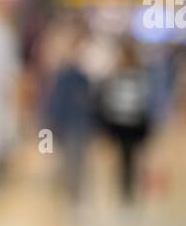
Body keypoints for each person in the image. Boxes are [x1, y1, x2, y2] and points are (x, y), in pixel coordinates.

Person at [43, 19, 95, 204]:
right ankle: (71, 198)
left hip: (75, 124)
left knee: (76, 162)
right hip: (69, 124)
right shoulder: (65, 75)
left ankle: (74, 198)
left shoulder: (77, 75)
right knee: (69, 162)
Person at [97, 40, 153, 203]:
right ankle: (126, 190)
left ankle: (126, 190)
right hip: (127, 123)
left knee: (126, 158)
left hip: (125, 123)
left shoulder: (127, 76)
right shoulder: (135, 76)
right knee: (127, 158)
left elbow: (110, 100)